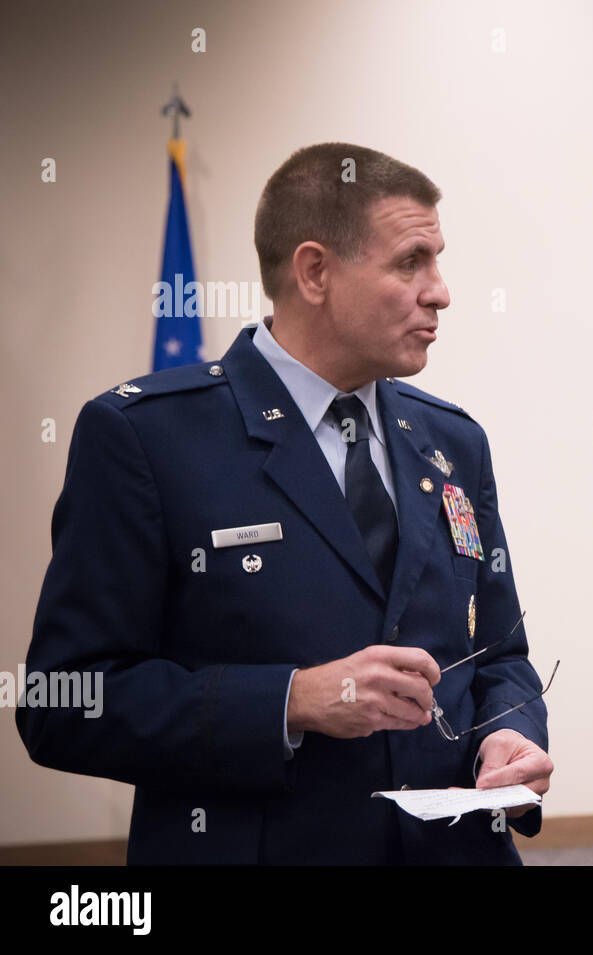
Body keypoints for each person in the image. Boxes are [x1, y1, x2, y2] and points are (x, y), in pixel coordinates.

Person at [17, 143, 554, 864]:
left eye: (437, 259)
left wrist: (509, 730)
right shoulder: (147, 438)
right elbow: (62, 703)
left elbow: (499, 655)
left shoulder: (451, 440)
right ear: (314, 272)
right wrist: (291, 700)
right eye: (409, 262)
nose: (440, 291)